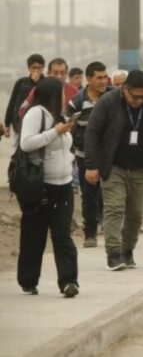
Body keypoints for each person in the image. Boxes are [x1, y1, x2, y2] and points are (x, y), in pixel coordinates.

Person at [84, 70, 143, 271]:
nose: (139, 101)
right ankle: (114, 254)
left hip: (141, 167)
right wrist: (91, 166)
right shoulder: (108, 101)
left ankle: (127, 250)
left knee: (135, 213)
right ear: (125, 89)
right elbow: (92, 133)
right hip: (113, 165)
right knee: (114, 209)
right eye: (135, 96)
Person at [16, 77, 79, 298]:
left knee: (63, 235)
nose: (65, 96)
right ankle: (28, 280)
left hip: (63, 184)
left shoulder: (58, 115)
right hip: (41, 186)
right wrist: (56, 132)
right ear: (51, 94)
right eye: (61, 93)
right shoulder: (37, 113)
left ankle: (69, 281)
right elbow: (26, 143)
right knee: (35, 235)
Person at [65, 61, 110, 248]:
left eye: (105, 77)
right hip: (85, 156)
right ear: (89, 79)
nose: (103, 81)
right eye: (99, 78)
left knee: (109, 193)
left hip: (110, 156)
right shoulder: (76, 102)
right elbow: (66, 126)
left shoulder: (113, 97)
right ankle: (90, 233)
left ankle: (110, 229)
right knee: (89, 195)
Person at [6, 54, 45, 137]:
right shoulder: (21, 83)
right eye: (33, 68)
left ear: (43, 68)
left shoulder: (47, 83)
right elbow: (12, 103)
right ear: (29, 68)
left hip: (40, 127)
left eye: (39, 68)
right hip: (19, 124)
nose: (36, 70)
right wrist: (7, 124)